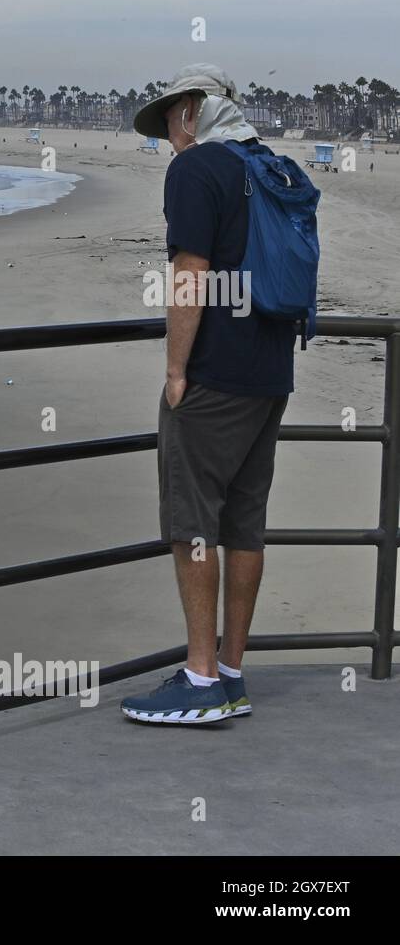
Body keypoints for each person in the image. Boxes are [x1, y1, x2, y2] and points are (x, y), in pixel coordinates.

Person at [120, 64, 297, 724]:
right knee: (244, 523)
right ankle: (229, 671)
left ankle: (198, 683)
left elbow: (190, 273)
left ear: (190, 110)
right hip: (271, 370)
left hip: (216, 375)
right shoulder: (267, 167)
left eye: (169, 120)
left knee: (193, 522)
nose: (169, 137)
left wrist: (174, 371)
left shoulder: (197, 170)